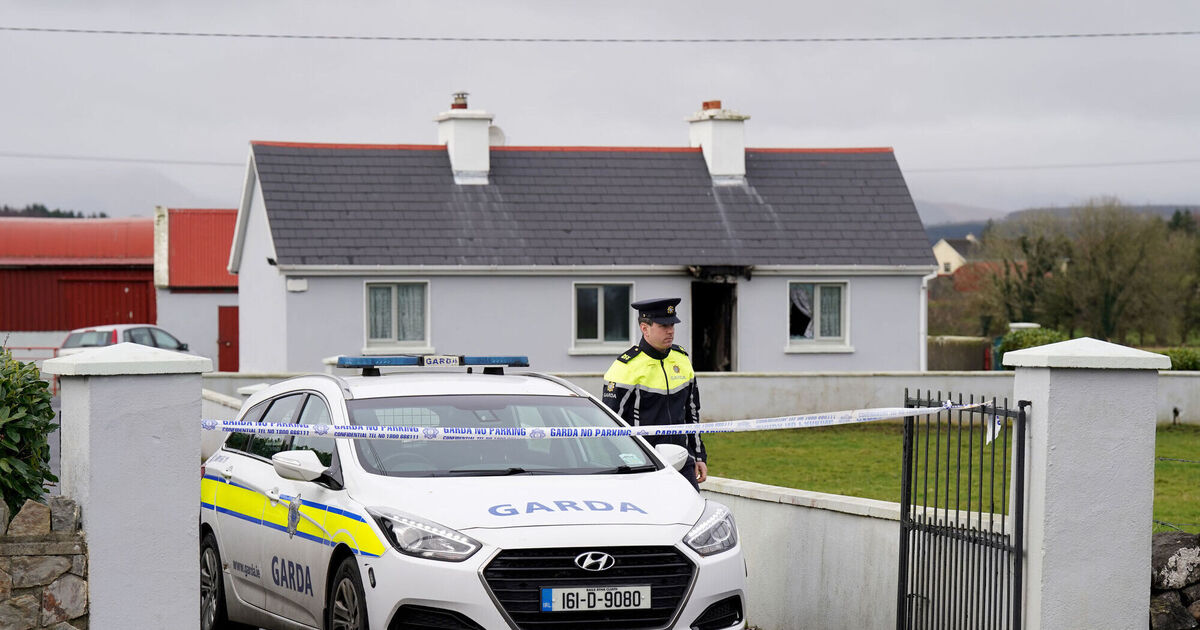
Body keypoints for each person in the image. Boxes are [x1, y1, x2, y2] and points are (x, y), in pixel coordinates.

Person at [602, 297, 708, 490]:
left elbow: (692, 414)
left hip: (682, 460)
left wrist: (699, 456)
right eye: (663, 325)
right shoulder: (625, 367)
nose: (670, 330)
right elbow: (610, 425)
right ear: (645, 328)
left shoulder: (682, 359)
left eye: (672, 325)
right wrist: (629, 463)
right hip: (643, 466)